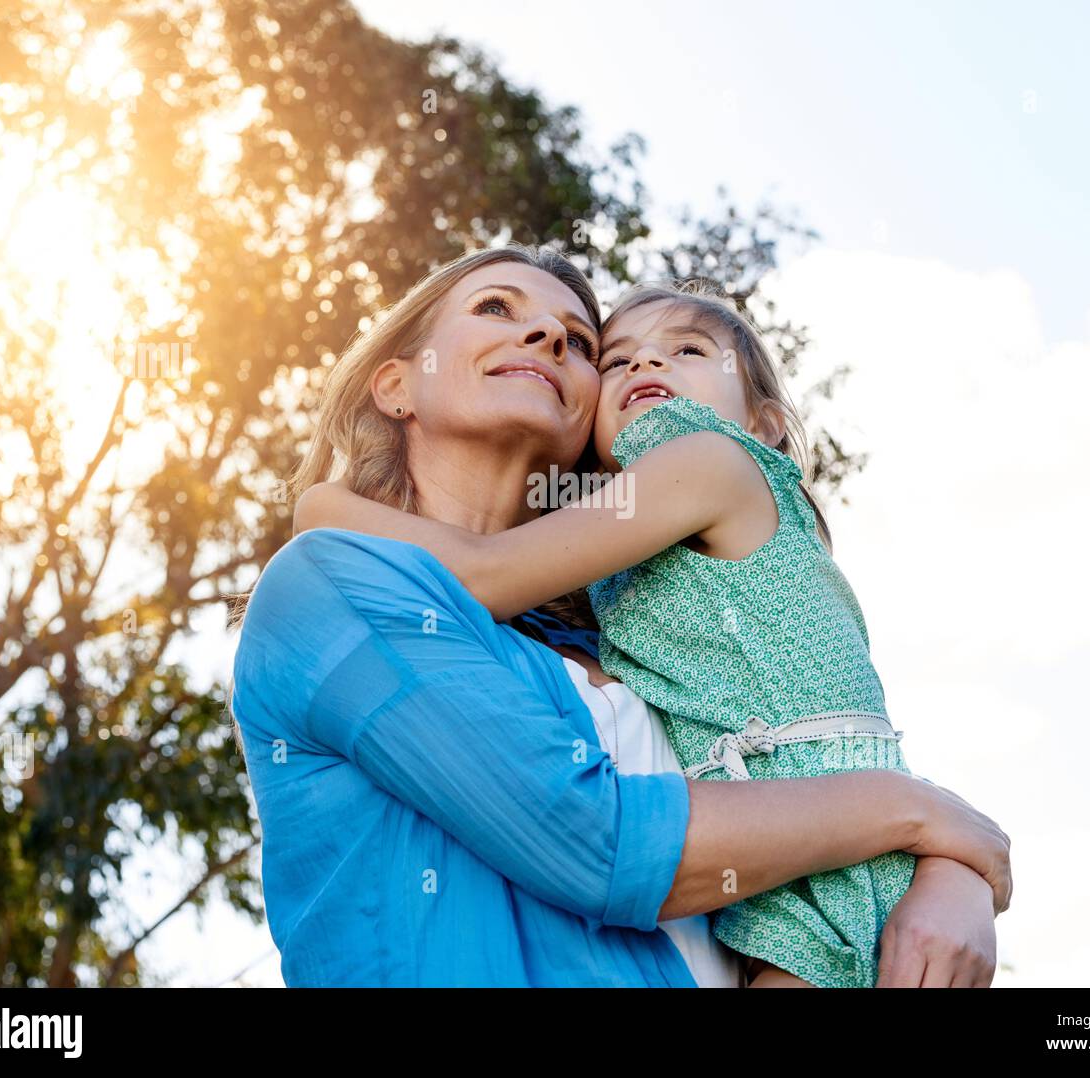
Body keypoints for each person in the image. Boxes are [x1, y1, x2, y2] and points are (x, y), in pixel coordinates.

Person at [233, 243, 1011, 987]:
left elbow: (807, 764)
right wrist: (915, 815)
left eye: (577, 343)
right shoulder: (330, 583)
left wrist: (949, 874)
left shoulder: (643, 641)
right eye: (497, 307)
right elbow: (592, 841)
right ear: (396, 384)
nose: (544, 335)